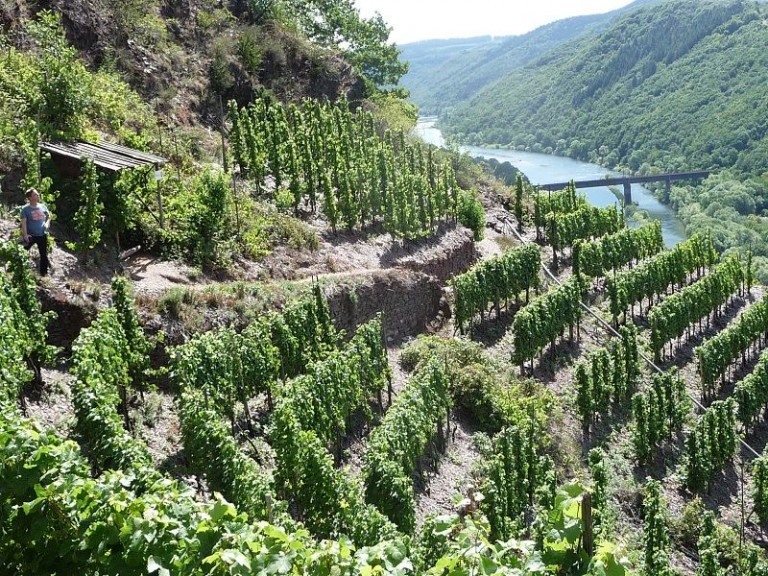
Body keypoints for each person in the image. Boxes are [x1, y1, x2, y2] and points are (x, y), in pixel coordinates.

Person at [20, 187, 51, 276]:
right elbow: (23, 223)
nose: (38, 195)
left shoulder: (42, 206)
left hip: (42, 235)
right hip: (30, 236)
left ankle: (43, 274)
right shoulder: (25, 209)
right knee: (23, 252)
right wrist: (25, 235)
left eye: (37, 194)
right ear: (30, 197)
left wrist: (47, 223)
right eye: (35, 194)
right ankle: (22, 272)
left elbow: (49, 216)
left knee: (43, 255)